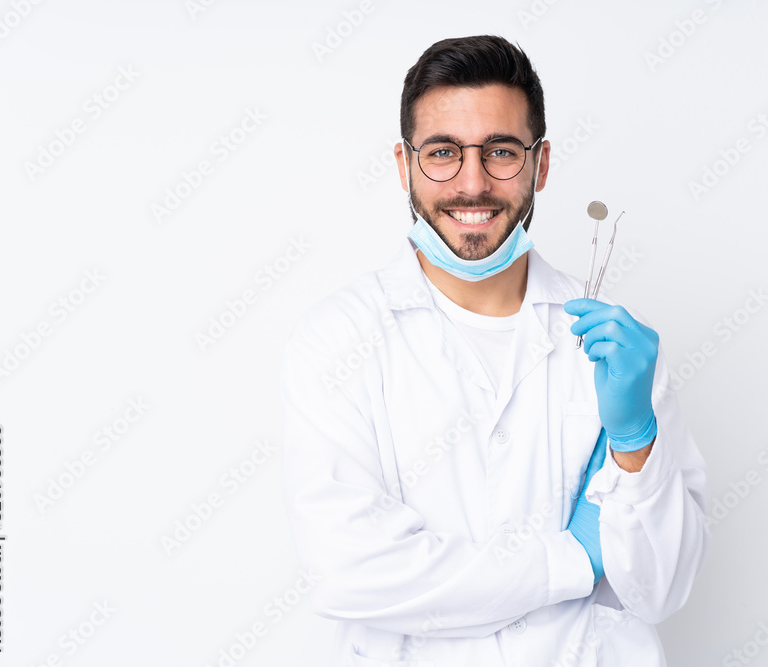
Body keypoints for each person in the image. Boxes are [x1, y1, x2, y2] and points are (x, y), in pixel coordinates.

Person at [280, 34, 711, 666]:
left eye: (501, 152)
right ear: (404, 165)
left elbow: (662, 589)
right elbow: (353, 571)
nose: (473, 183)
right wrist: (576, 558)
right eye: (443, 153)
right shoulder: (339, 339)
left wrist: (635, 442)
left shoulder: (612, 344)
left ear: (540, 165)